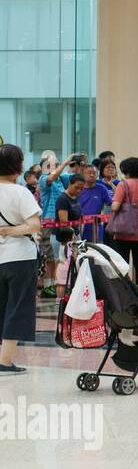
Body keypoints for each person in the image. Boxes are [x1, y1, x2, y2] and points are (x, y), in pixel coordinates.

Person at [0, 144, 41, 377]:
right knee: (17, 307)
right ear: (17, 167)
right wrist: (9, 231)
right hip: (20, 258)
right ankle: (5, 361)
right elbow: (34, 225)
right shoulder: (20, 192)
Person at [38, 152, 81, 295]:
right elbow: (51, 177)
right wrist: (64, 163)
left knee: (65, 257)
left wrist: (79, 163)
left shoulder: (62, 179)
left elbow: (77, 178)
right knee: (51, 257)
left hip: (65, 223)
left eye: (56, 164)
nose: (55, 167)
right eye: (50, 165)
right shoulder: (44, 178)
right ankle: (48, 286)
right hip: (50, 223)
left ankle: (63, 285)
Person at [108, 157, 138, 285]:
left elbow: (115, 206)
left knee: (122, 262)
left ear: (126, 171)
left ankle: (125, 291)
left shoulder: (123, 185)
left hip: (123, 230)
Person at [54, 174, 86, 297]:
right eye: (77, 187)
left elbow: (79, 216)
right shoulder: (62, 199)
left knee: (78, 268)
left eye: (81, 189)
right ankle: (59, 303)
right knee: (63, 273)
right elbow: (64, 223)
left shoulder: (75, 198)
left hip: (76, 238)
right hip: (64, 239)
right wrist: (73, 237)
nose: (79, 191)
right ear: (70, 184)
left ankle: (74, 298)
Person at [77, 164, 111, 242]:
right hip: (80, 228)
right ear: (83, 174)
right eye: (89, 173)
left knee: (98, 252)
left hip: (96, 228)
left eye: (94, 173)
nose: (92, 175)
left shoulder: (101, 188)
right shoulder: (78, 188)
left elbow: (111, 204)